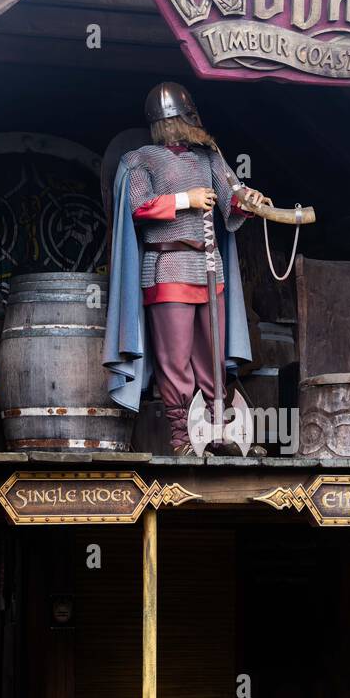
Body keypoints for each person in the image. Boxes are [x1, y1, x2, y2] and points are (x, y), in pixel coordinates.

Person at [105, 82, 266, 453]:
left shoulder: (208, 158)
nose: (195, 123)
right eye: (186, 116)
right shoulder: (139, 159)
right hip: (167, 266)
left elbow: (232, 200)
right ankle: (183, 438)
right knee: (175, 359)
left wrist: (249, 200)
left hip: (210, 265)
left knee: (212, 354)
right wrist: (184, 199)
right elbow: (138, 208)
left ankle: (220, 431)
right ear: (172, 121)